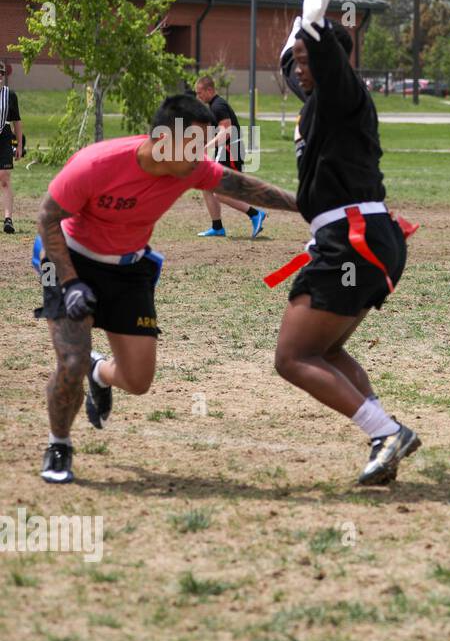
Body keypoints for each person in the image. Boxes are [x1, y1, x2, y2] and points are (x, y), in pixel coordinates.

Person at [32, 95, 298, 483]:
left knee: (138, 381)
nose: (200, 156)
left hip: (129, 266)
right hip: (70, 259)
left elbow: (245, 187)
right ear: (162, 139)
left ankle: (100, 373)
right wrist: (71, 283)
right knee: (70, 360)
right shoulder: (97, 163)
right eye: (193, 145)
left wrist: (306, 205)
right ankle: (59, 444)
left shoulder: (189, 168)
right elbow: (47, 217)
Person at [275, 0, 419, 486]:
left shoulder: (343, 92)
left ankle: (386, 434)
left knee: (292, 358)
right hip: (362, 239)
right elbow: (292, 66)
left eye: (309, 59)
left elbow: (328, 64)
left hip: (352, 242)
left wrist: (315, 29)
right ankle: (385, 431)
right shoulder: (317, 95)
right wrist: (301, 28)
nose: (301, 69)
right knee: (326, 351)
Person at [193, 75, 267, 238]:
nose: (198, 97)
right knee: (206, 187)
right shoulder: (214, 106)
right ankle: (217, 227)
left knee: (220, 193)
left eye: (200, 93)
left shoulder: (218, 106)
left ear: (209, 90)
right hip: (225, 151)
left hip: (231, 152)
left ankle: (256, 214)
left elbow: (226, 132)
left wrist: (206, 147)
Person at [1, 64, 24, 233]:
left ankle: (8, 219)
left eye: (1, 73)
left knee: (4, 176)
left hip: (4, 136)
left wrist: (19, 146)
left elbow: (17, 121)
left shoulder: (10, 95)